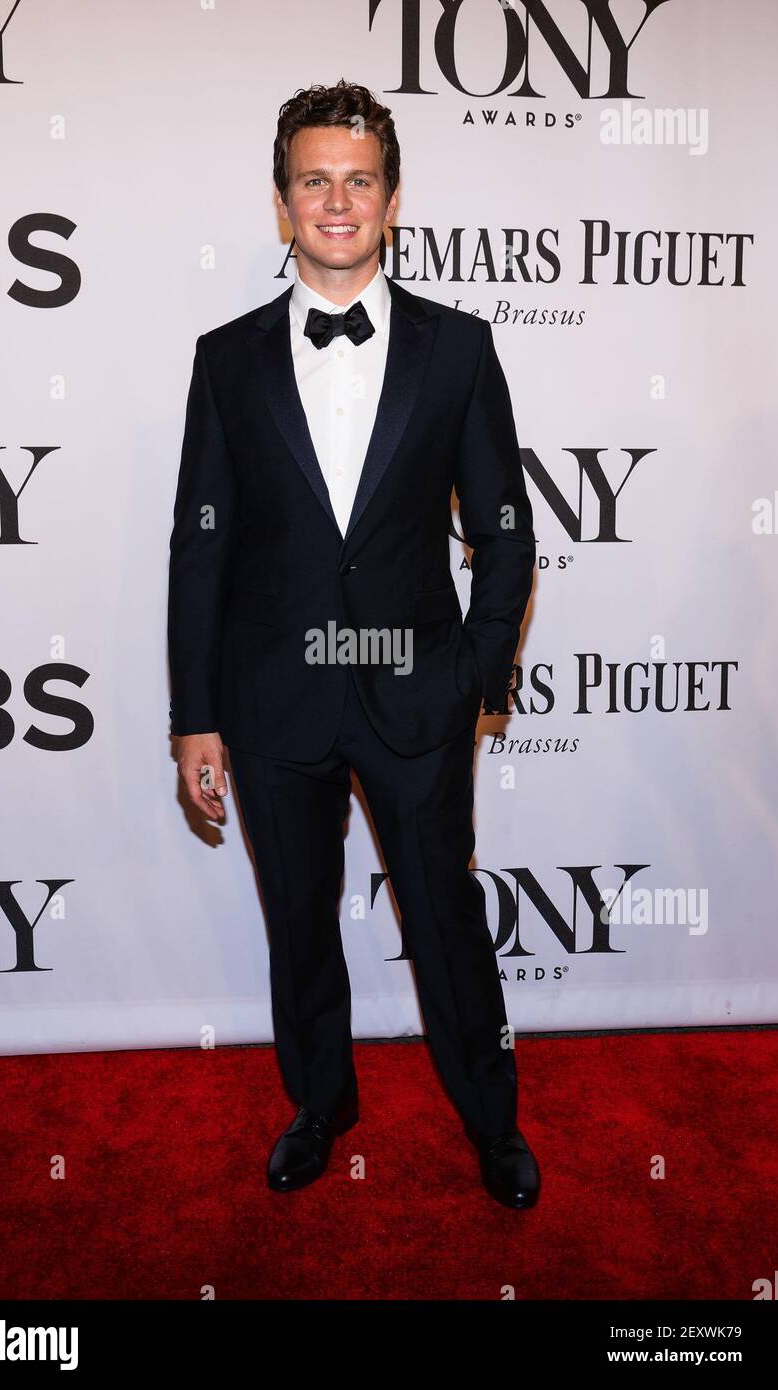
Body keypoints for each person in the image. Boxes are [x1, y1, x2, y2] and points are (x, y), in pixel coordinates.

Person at [167, 79, 539, 1208]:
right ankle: (319, 1104)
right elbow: (199, 546)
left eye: (358, 181)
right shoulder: (224, 358)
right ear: (283, 202)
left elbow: (506, 532)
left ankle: (492, 1122)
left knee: (445, 918)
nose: (337, 202)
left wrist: (474, 676)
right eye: (314, 181)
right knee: (297, 920)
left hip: (415, 694)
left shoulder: (457, 349)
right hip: (272, 699)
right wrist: (195, 715)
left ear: (391, 197)